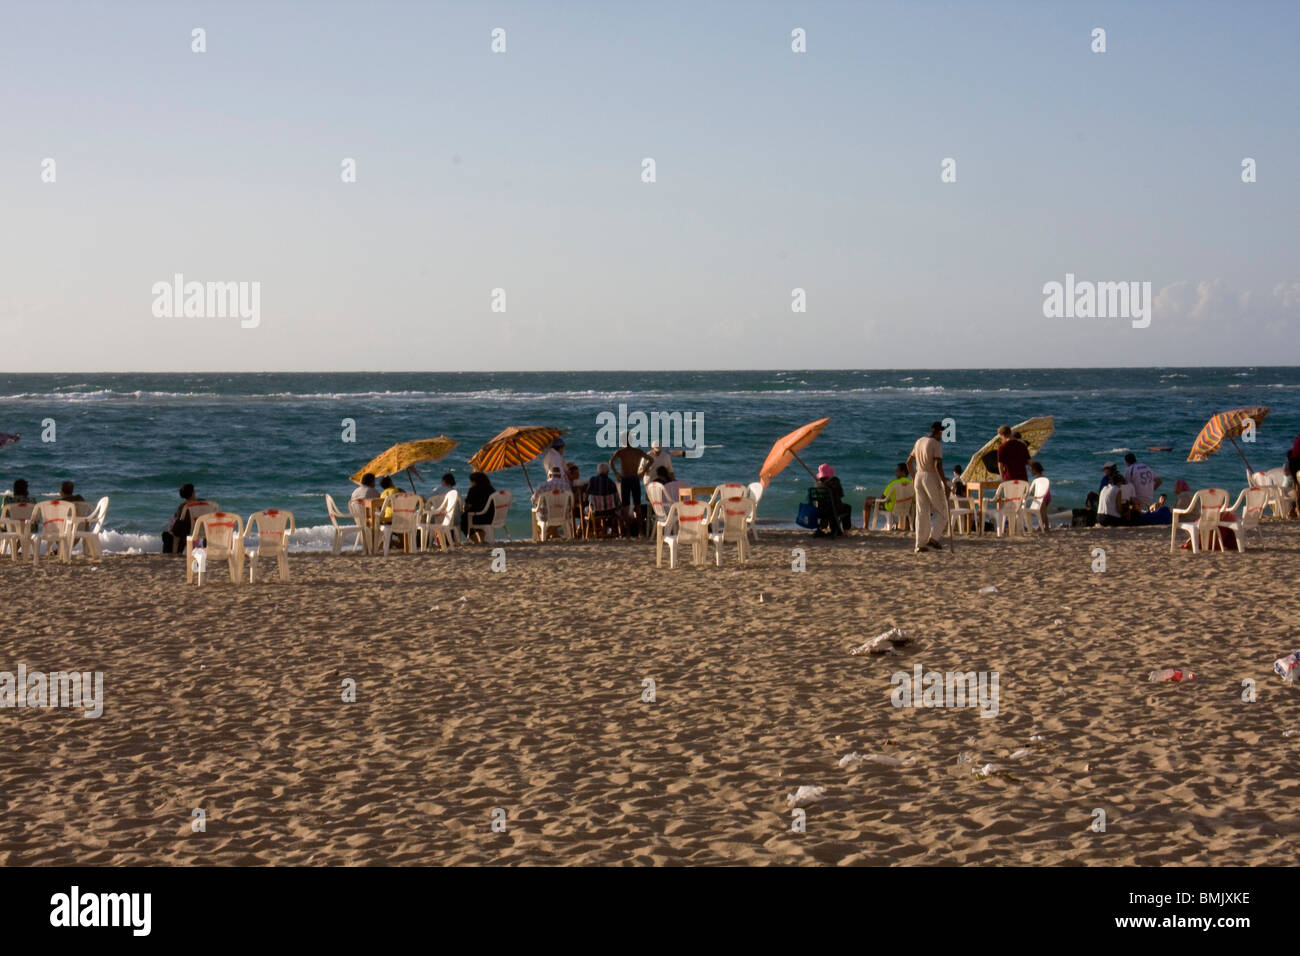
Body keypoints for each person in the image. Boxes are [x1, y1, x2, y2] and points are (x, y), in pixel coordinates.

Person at [906, 421, 949, 553]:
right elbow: (937, 466)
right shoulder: (936, 444)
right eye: (942, 432)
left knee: (921, 511)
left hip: (919, 475)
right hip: (930, 476)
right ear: (938, 432)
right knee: (943, 510)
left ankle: (919, 544)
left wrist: (914, 478)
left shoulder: (919, 441)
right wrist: (944, 483)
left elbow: (908, 462)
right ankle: (933, 538)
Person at [609, 434, 649, 517]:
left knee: (625, 505)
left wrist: (616, 473)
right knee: (637, 504)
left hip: (625, 479)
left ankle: (626, 528)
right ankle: (640, 527)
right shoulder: (638, 451)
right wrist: (643, 472)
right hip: (635, 478)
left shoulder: (621, 452)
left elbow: (611, 462)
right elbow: (651, 460)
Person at [811, 463, 850, 538]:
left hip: (821, 511)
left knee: (831, 507)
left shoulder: (818, 485)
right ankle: (845, 530)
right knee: (847, 508)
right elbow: (841, 495)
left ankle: (835, 529)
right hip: (832, 510)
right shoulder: (833, 484)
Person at [162, 483, 202, 553]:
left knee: (167, 535)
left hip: (187, 532)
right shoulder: (203, 503)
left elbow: (178, 520)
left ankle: (174, 551)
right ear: (192, 493)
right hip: (201, 529)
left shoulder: (183, 506)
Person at [585, 462, 622, 535]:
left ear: (598, 471)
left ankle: (596, 531)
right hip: (610, 512)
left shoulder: (593, 480)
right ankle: (609, 530)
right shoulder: (611, 482)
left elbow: (587, 493)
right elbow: (616, 499)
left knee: (586, 510)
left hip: (596, 511)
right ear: (607, 472)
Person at [461, 471, 496, 538]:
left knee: (462, 520)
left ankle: (477, 540)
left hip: (480, 517)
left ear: (474, 481)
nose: (471, 483)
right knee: (469, 516)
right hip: (491, 517)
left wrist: (463, 510)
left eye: (471, 481)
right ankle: (481, 539)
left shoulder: (473, 489)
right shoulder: (491, 489)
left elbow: (468, 505)